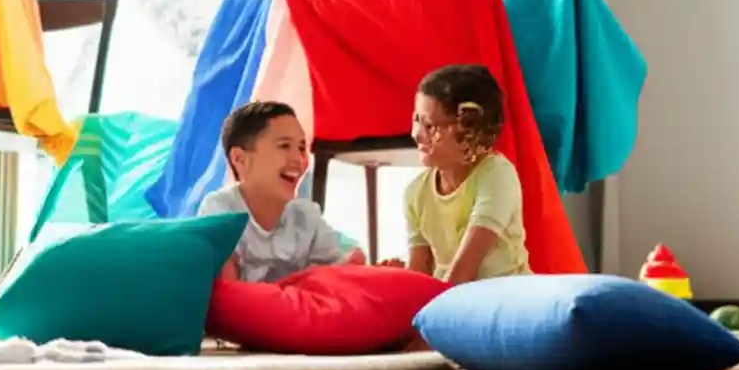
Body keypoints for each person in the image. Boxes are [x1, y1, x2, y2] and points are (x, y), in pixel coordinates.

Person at [383, 64, 530, 284]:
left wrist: (432, 302)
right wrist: (396, 280)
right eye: (416, 120)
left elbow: (464, 272)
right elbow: (420, 274)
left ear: (470, 131)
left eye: (429, 126)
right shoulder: (415, 193)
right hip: (450, 298)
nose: (417, 135)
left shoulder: (497, 175)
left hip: (505, 299)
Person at [197, 101, 365, 282]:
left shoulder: (305, 216)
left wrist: (351, 264)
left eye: (302, 148)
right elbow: (226, 289)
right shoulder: (221, 210)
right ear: (240, 160)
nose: (299, 159)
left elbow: (342, 266)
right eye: (284, 146)